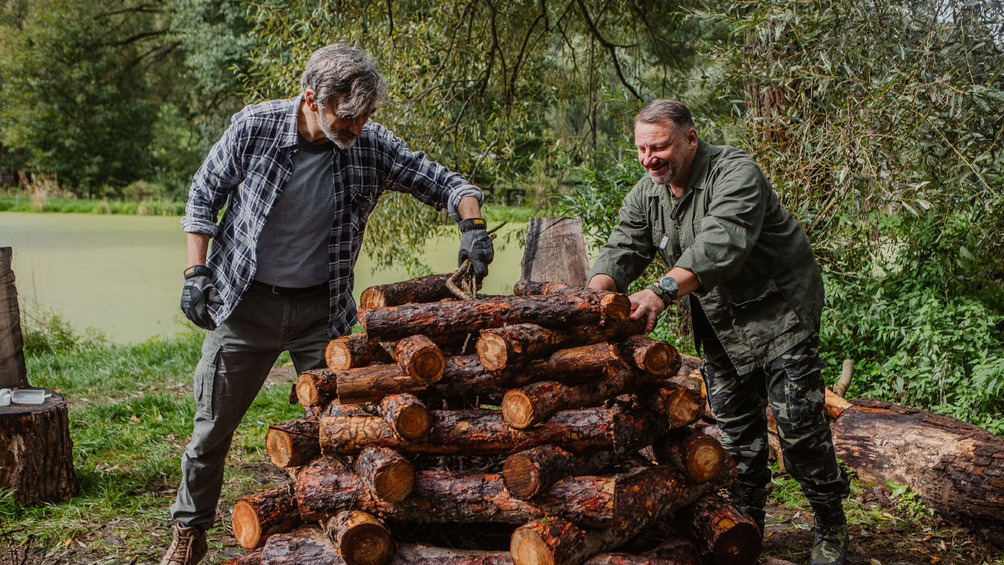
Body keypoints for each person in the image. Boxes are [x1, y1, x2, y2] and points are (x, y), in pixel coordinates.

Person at [161, 43, 494, 565]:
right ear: (312, 98)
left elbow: (448, 184)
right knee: (210, 431)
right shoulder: (255, 127)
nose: (357, 127)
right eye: (347, 116)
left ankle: (343, 534)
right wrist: (195, 274)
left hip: (323, 313)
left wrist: (472, 226)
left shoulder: (370, 144)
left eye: (365, 116)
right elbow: (203, 196)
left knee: (343, 429)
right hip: (245, 305)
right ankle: (189, 532)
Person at [587, 99, 850, 565]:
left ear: (690, 138)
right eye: (642, 150)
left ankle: (830, 523)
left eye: (659, 147)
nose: (649, 159)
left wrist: (660, 292)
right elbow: (621, 248)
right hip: (721, 325)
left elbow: (721, 242)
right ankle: (748, 521)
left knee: (798, 431)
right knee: (736, 433)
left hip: (779, 314)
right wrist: (592, 300)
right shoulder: (648, 194)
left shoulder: (735, 173)